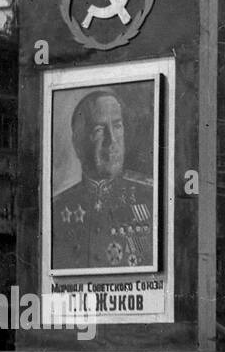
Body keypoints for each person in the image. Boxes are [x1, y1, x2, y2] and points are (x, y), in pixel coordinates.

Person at [51, 89, 154, 271]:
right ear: (77, 143)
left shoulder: (151, 198)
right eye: (99, 130)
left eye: (117, 126)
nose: (112, 140)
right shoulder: (56, 208)